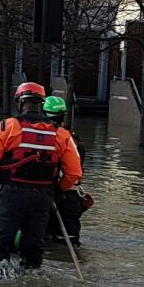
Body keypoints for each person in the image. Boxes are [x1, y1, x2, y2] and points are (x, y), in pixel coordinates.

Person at [0, 82, 82, 275]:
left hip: (11, 195)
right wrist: (58, 190)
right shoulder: (61, 134)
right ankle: (31, 285)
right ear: (41, 103)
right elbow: (74, 173)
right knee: (33, 251)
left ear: (19, 102)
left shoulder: (6, 127)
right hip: (42, 198)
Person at [42, 95, 92, 247]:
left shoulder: (43, 139)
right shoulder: (71, 140)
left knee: (43, 239)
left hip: (49, 196)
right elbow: (75, 173)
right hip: (68, 196)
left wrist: (57, 189)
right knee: (68, 241)